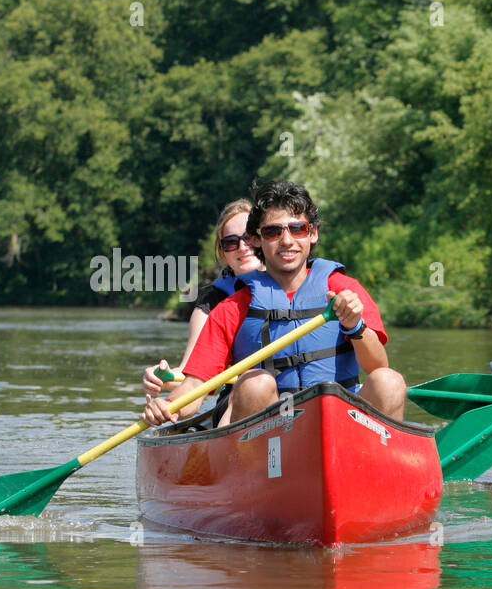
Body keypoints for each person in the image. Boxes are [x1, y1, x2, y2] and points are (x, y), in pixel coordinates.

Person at [141, 179, 406, 429]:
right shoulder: (232, 308)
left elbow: (376, 366)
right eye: (273, 231)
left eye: (298, 228)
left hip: (339, 422)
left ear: (312, 233)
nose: (287, 241)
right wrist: (169, 407)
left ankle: (383, 465)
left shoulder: (344, 288)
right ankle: (252, 469)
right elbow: (195, 388)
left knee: (390, 381)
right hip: (271, 436)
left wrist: (354, 326)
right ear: (256, 239)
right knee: (255, 383)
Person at [142, 198, 263, 396]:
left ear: (264, 238)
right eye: (231, 242)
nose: (242, 247)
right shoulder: (209, 306)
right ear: (222, 253)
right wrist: (161, 378)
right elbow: (189, 375)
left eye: (249, 237)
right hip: (241, 401)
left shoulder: (294, 281)